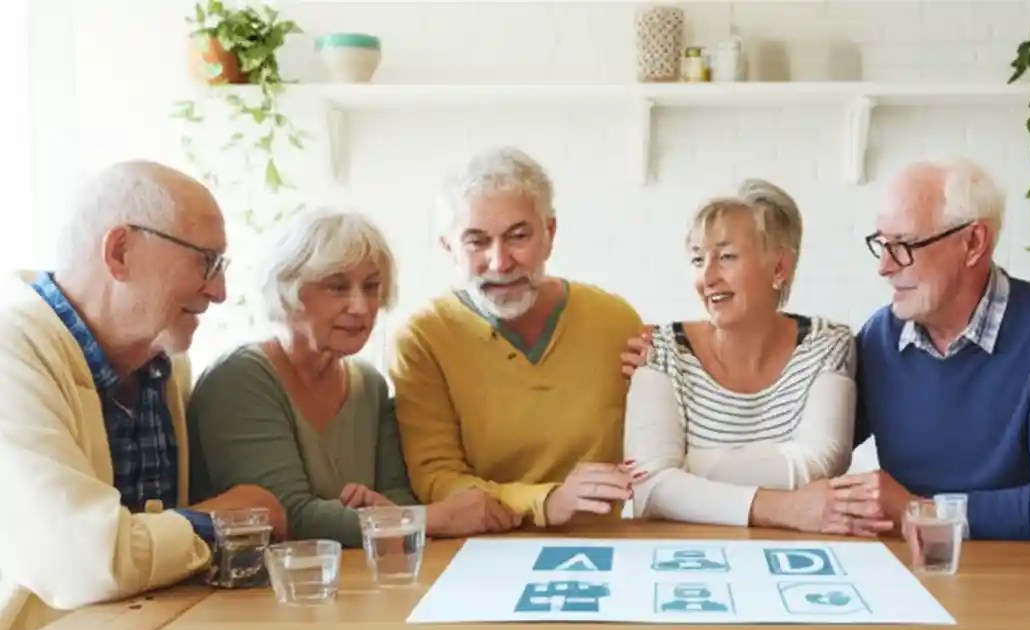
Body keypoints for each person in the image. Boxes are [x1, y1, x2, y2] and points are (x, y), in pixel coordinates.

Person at [0, 161, 285, 630]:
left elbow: (147, 548)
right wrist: (224, 519)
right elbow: (86, 561)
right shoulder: (13, 353)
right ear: (120, 252)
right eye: (206, 262)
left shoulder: (168, 367)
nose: (219, 292)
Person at [187, 209, 512, 548]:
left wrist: (391, 515)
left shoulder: (370, 384)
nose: (360, 306)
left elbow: (397, 499)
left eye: (371, 287)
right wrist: (434, 518)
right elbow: (288, 517)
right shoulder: (241, 380)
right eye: (338, 288)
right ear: (290, 290)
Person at [844, 159, 1030, 540]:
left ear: (973, 243)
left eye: (903, 245)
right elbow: (809, 453)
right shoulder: (880, 338)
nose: (885, 267)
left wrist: (916, 512)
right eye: (882, 245)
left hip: (1020, 584)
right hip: (912, 573)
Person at [389, 147, 645, 531]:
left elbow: (653, 453)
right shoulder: (424, 338)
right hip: (480, 549)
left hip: (609, 543)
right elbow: (438, 479)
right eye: (476, 241)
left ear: (550, 233)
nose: (500, 262)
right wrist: (546, 501)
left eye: (518, 236)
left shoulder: (615, 322)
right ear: (449, 248)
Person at [623, 180, 867, 533]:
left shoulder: (827, 345)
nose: (707, 277)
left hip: (792, 558)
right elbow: (649, 489)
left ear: (779, 267)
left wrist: (689, 471)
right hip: (682, 558)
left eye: (726, 257)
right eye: (697, 259)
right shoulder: (661, 351)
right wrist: (785, 506)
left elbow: (820, 463)